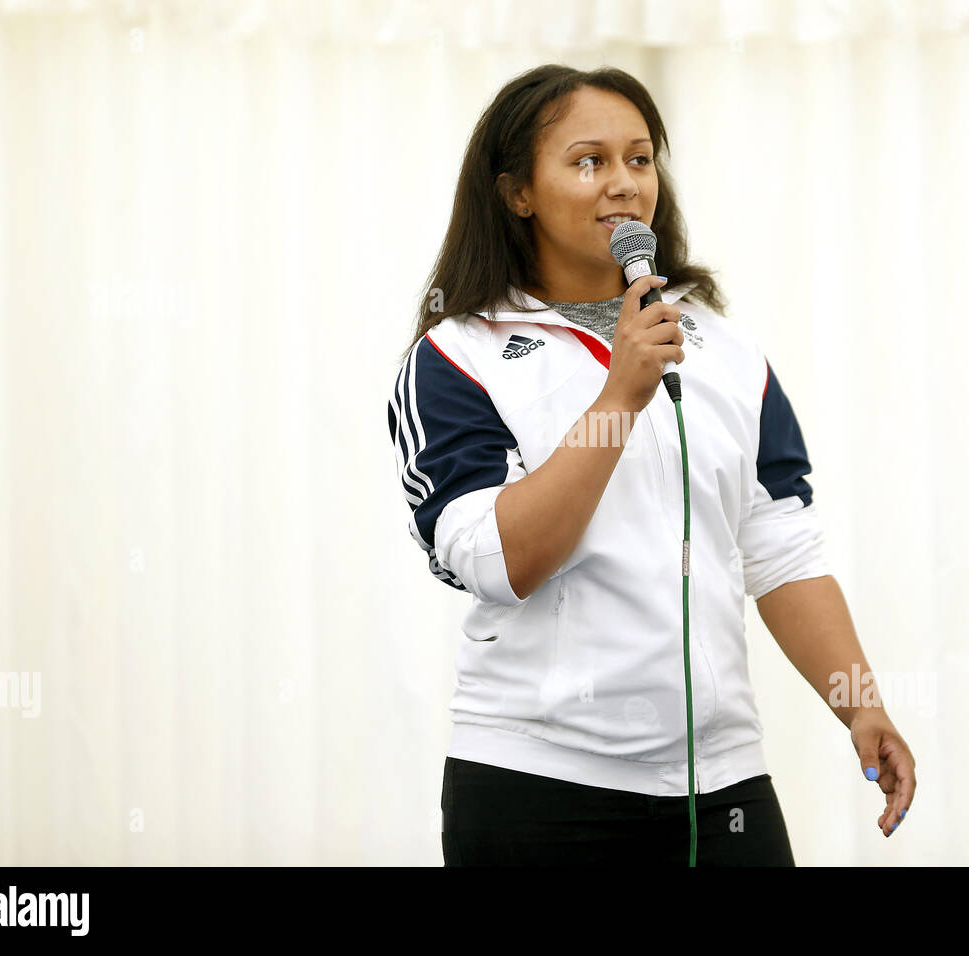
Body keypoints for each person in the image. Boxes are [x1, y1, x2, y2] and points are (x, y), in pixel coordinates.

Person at [388, 64, 916, 866]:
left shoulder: (725, 350)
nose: (624, 184)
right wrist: (619, 396)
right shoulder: (460, 355)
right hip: (539, 787)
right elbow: (500, 561)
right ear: (516, 193)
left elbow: (781, 552)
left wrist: (860, 705)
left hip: (724, 785)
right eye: (588, 160)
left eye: (640, 159)